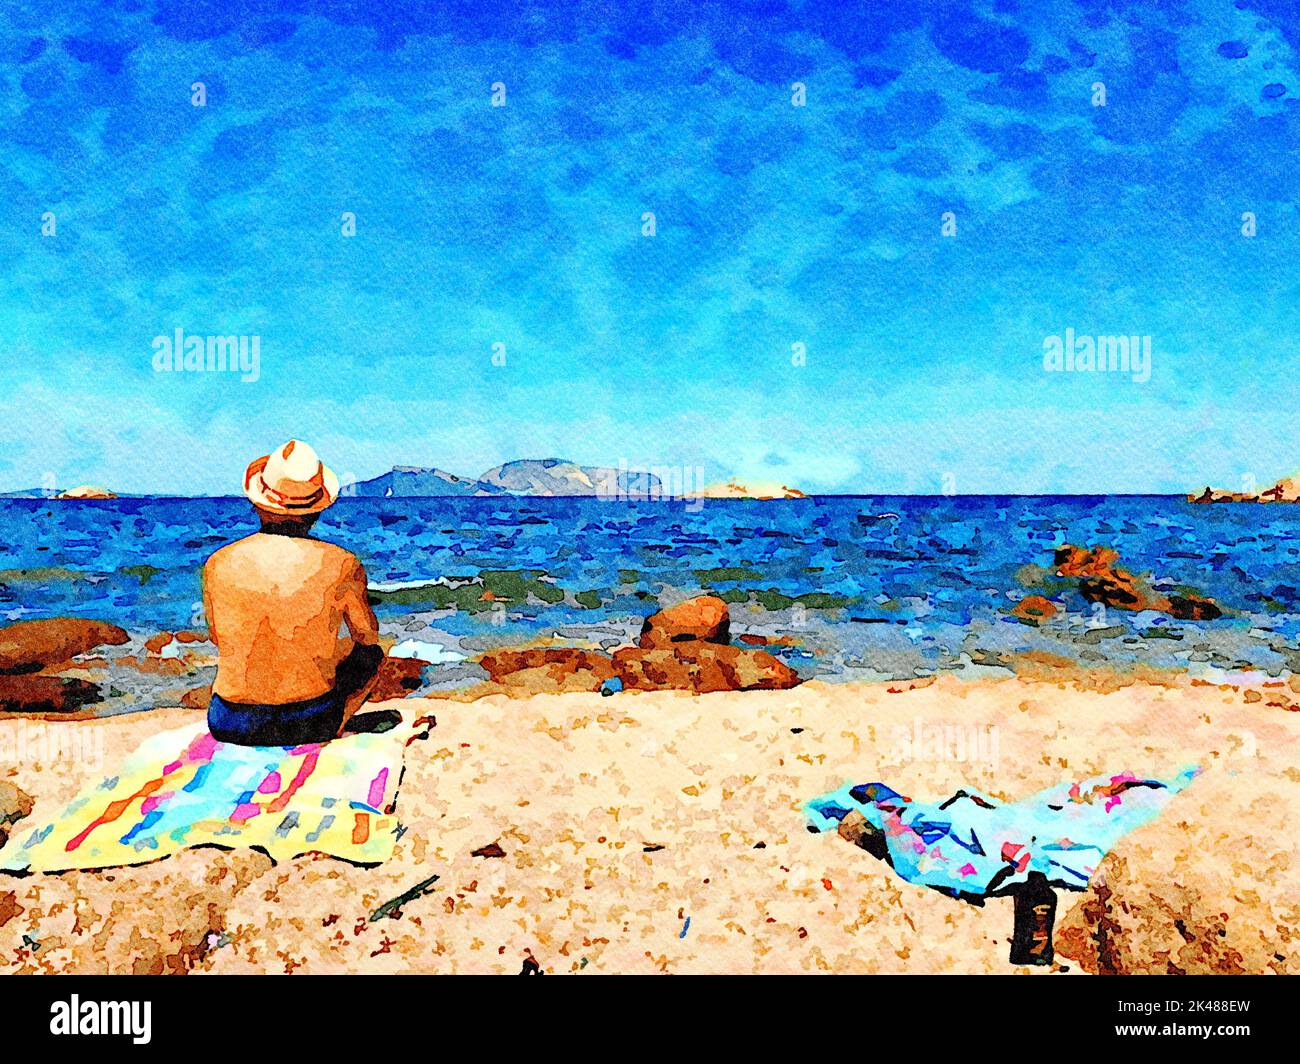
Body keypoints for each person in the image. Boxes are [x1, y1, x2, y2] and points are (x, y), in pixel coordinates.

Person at [202, 439, 383, 745]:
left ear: (259, 502)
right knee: (371, 657)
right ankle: (337, 722)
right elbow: (368, 638)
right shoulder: (342, 563)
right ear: (317, 509)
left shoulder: (218, 562)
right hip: (310, 722)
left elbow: (220, 638)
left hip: (230, 721)